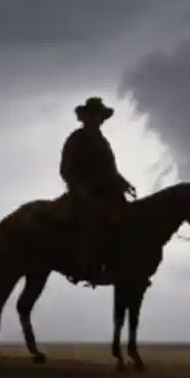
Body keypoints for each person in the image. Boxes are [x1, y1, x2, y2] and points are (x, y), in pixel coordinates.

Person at [60, 97, 136, 285]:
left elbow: (110, 170)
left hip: (107, 191)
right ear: (85, 117)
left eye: (98, 116)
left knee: (129, 218)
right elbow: (66, 169)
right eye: (93, 115)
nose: (96, 119)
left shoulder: (103, 141)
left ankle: (121, 264)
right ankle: (87, 267)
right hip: (85, 192)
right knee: (92, 219)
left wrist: (124, 183)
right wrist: (79, 187)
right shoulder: (76, 139)